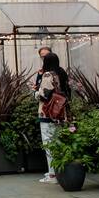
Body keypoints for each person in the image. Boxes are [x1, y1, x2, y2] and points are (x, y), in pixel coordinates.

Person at [34, 51, 71, 183]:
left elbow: (43, 94)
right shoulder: (62, 73)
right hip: (61, 113)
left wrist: (35, 93)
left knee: (49, 143)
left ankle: (52, 174)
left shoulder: (48, 74)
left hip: (48, 113)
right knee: (59, 142)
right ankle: (59, 172)